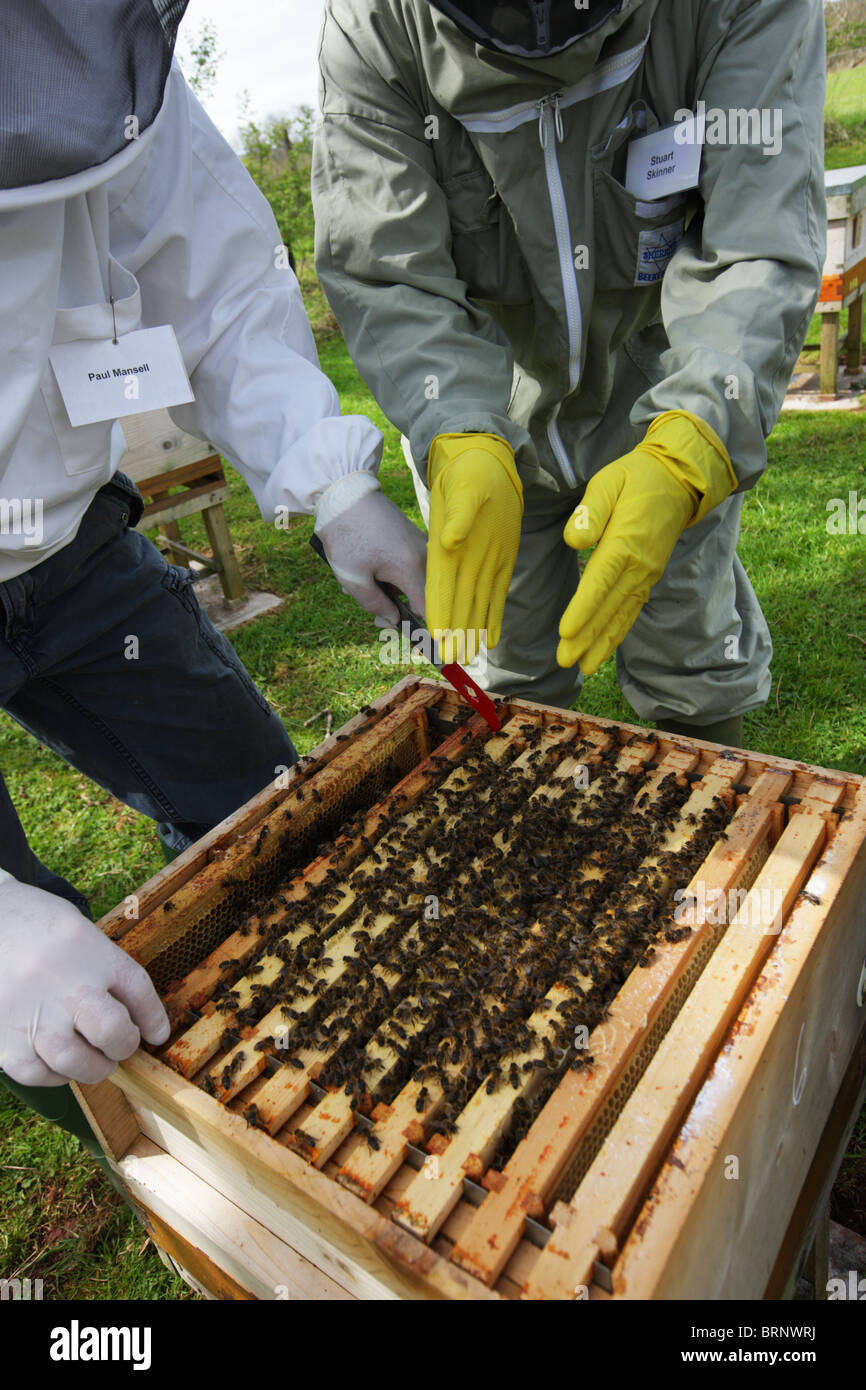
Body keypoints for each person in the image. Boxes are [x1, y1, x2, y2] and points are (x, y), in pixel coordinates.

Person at [0, 0, 426, 1159]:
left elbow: (214, 275)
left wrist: (329, 482)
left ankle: (342, 1077)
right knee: (50, 998)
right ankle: (179, 1176)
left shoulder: (99, 47)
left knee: (263, 806)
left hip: (75, 548)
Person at [312, 0, 826, 740]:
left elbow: (756, 238)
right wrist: (457, 431)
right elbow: (388, 271)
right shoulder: (375, 26)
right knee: (507, 671)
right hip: (486, 408)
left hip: (658, 387)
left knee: (691, 661)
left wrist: (695, 438)